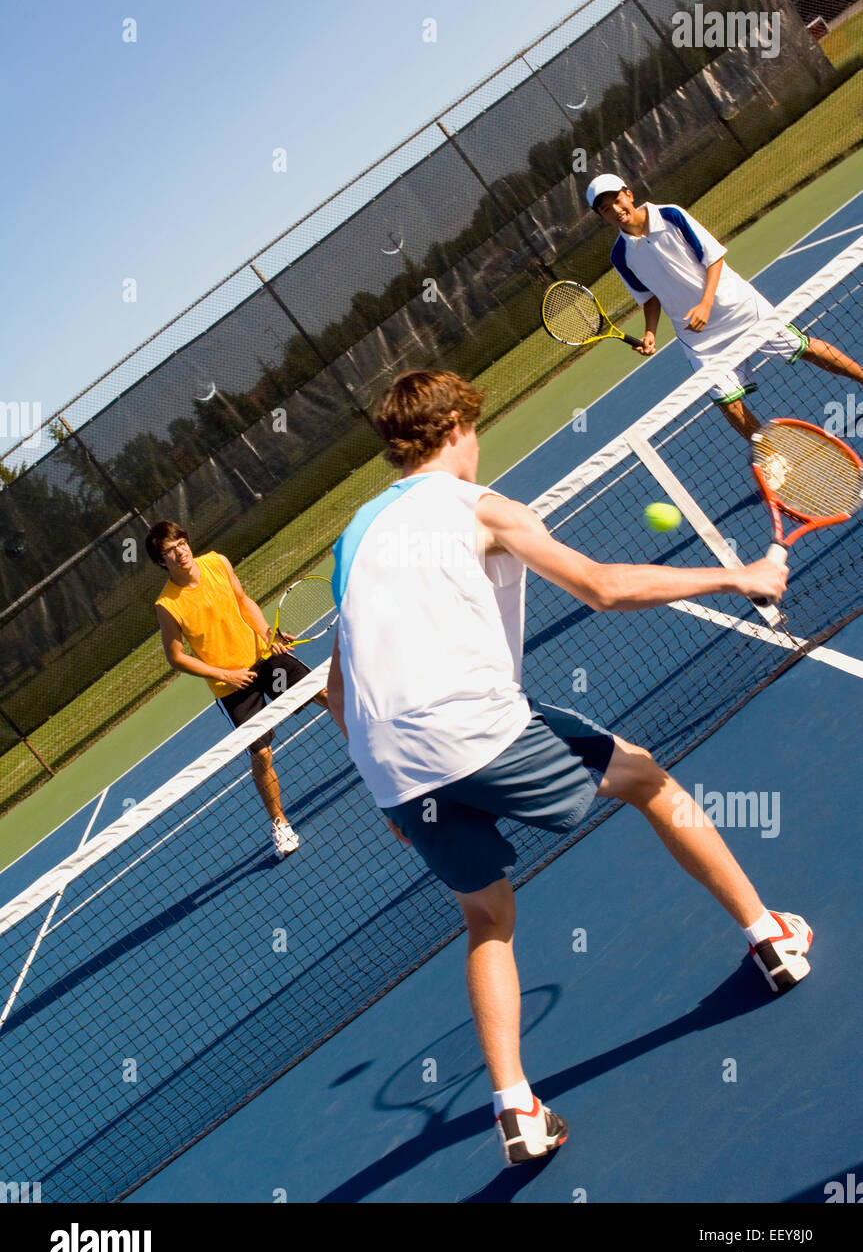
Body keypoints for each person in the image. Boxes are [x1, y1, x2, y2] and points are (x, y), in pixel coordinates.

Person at [325, 368, 812, 1168]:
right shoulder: (479, 506)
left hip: (394, 770)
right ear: (452, 426)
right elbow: (602, 588)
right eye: (472, 427)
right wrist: (740, 575)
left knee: (485, 919)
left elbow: (339, 684)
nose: (477, 443)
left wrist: (383, 788)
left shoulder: (352, 538)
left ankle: (514, 1106)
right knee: (647, 779)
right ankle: (768, 938)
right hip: (476, 729)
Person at [587, 173, 863, 440]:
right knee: (725, 400)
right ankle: (770, 456)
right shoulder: (621, 256)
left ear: (629, 195)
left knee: (802, 347)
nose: (614, 209)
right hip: (698, 336)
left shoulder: (671, 215)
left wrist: (706, 305)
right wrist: (650, 333)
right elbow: (648, 297)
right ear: (601, 217)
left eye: (616, 200)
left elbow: (714, 257)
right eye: (605, 208)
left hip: (737, 306)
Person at [148, 521, 327, 859]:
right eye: (169, 551)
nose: (179, 552)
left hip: (263, 658)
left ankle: (373, 754)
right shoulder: (167, 605)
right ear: (162, 562)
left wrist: (267, 634)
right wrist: (224, 676)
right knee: (261, 754)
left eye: (181, 543)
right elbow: (176, 658)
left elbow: (243, 601)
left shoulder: (217, 562)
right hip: (231, 685)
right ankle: (280, 825)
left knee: (326, 696)